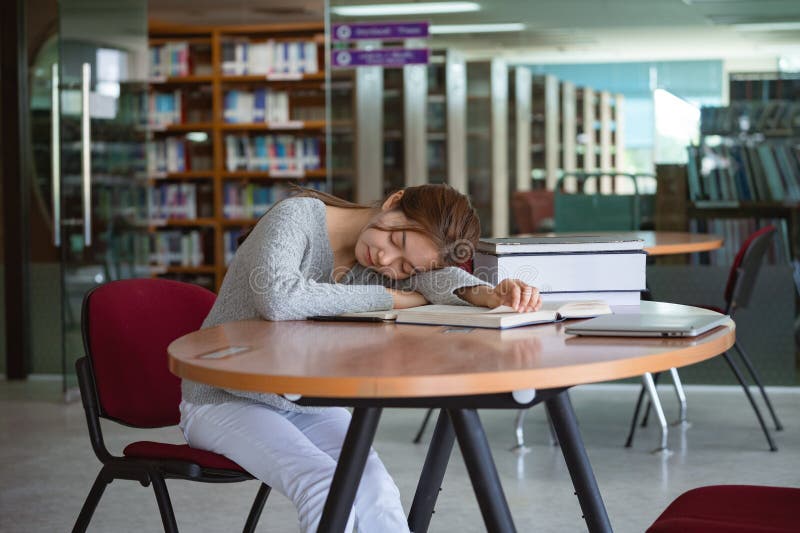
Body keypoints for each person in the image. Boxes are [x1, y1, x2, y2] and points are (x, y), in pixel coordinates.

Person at [179, 184, 541, 532]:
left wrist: (487, 295)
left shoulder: (377, 264)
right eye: (397, 240)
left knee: (377, 489)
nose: (387, 260)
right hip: (224, 397)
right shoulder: (297, 216)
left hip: (304, 401)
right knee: (324, 487)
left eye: (407, 267)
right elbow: (279, 299)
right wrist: (389, 297)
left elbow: (437, 281)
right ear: (394, 201)